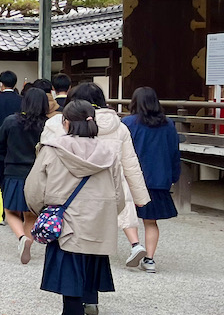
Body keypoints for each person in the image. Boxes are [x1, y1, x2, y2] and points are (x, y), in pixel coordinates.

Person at [25, 100, 125, 315]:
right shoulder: (108, 152)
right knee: (83, 282)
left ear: (66, 122)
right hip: (98, 227)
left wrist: (43, 210)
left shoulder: (52, 150)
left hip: (67, 225)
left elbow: (34, 190)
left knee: (69, 282)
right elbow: (119, 196)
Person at [42, 83, 151, 284]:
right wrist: (141, 197)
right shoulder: (119, 126)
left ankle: (73, 294)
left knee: (73, 241)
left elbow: (47, 159)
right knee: (106, 233)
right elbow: (130, 163)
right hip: (110, 185)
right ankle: (133, 246)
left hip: (71, 189)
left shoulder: (60, 123)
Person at [122, 87, 181, 272]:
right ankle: (149, 259)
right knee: (150, 221)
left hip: (133, 177)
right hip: (157, 178)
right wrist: (173, 176)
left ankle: (135, 245)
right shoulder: (168, 124)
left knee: (126, 215)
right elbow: (174, 152)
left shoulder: (128, 123)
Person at [0, 87, 49, 265]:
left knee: (10, 210)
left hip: (14, 172)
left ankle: (21, 237)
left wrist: (8, 156)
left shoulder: (11, 121)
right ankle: (28, 241)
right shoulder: (47, 124)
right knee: (31, 214)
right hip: (38, 174)